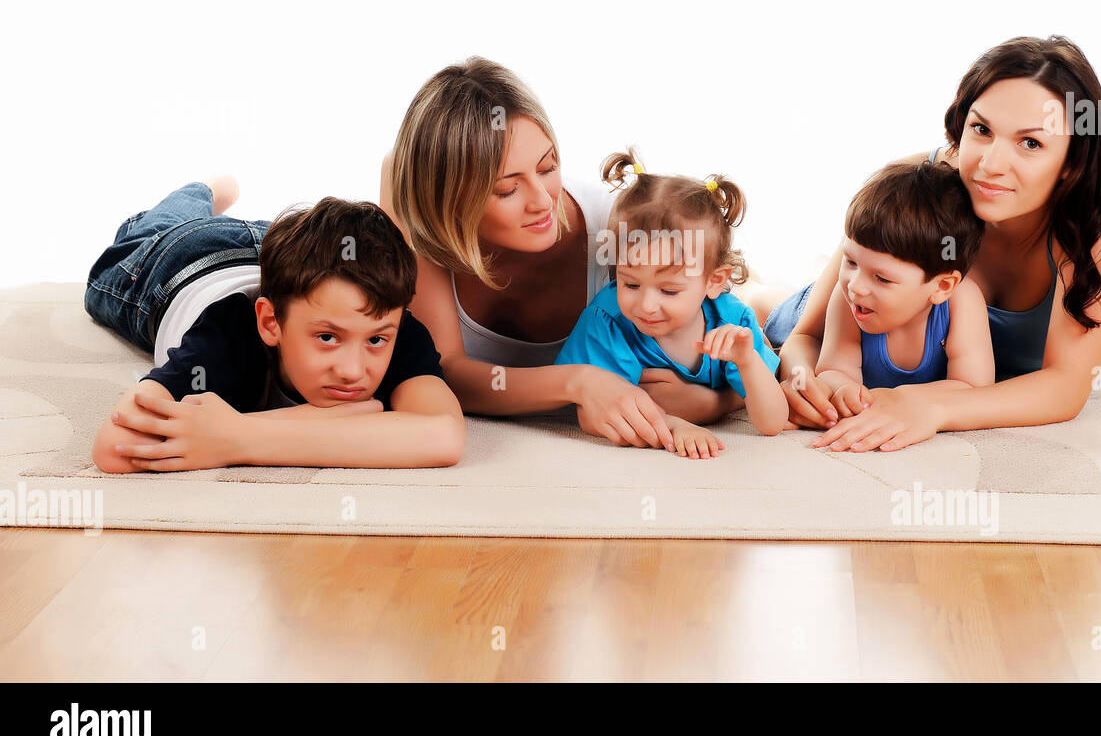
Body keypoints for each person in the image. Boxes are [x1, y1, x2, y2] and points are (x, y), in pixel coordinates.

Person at [759, 35, 1101, 452]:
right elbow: (804, 336)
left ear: (1072, 162)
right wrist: (802, 382)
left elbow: (1066, 387)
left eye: (1031, 143)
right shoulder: (923, 191)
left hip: (1051, 305)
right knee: (777, 319)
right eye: (981, 129)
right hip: (904, 310)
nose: (990, 166)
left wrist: (930, 407)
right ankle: (764, 288)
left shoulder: (1093, 228)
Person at [380, 58, 741, 451]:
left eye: (548, 167)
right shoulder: (430, 237)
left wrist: (717, 400)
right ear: (446, 201)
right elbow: (445, 371)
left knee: (765, 305)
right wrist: (578, 381)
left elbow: (737, 335)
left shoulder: (618, 229)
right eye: (507, 189)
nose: (542, 200)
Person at [84, 178, 464, 472]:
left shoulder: (380, 317)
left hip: (276, 251)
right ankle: (209, 189)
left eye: (377, 341)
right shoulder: (228, 336)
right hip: (184, 259)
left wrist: (238, 437)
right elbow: (115, 447)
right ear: (269, 323)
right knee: (141, 238)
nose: (353, 371)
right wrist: (337, 423)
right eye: (328, 337)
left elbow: (443, 436)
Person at [554, 150, 787, 457]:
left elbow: (772, 423)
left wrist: (748, 362)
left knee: (771, 308)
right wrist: (671, 425)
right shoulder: (607, 320)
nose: (647, 305)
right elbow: (591, 414)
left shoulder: (733, 323)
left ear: (714, 282)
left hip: (750, 315)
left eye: (669, 290)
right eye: (631, 283)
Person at [807, 160, 994, 449]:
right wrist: (843, 390)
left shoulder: (962, 302)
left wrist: (900, 398)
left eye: (882, 278)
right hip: (799, 307)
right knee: (773, 313)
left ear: (941, 287)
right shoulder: (850, 295)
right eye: (851, 261)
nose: (856, 283)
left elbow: (974, 386)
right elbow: (833, 369)